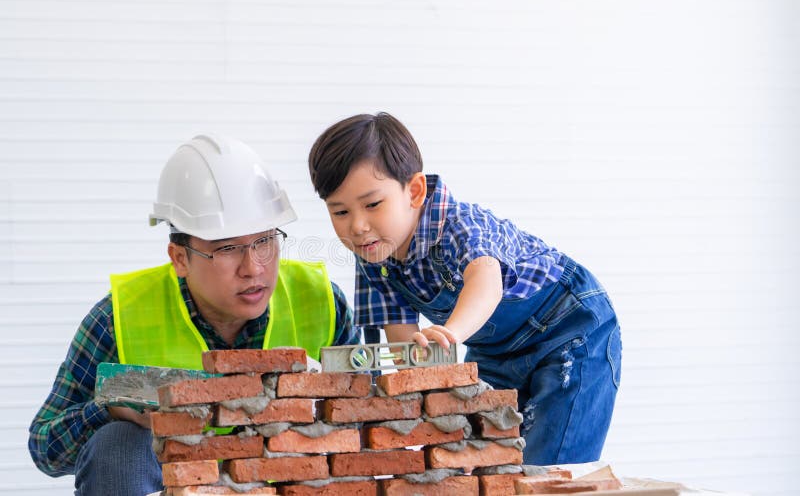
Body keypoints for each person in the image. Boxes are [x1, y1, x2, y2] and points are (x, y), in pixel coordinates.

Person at [29, 134, 360, 496]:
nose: (254, 268)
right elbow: (46, 447)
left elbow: (373, 427)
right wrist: (112, 410)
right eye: (229, 248)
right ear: (180, 258)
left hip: (284, 481)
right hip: (176, 480)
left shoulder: (320, 301)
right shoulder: (121, 316)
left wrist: (318, 399)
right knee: (118, 444)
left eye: (265, 241)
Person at [308, 112, 622, 465]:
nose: (359, 226)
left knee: (550, 465)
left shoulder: (459, 224)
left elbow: (486, 281)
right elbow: (405, 346)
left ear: (414, 191)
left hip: (571, 328)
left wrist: (450, 334)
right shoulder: (374, 258)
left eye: (372, 205)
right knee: (483, 459)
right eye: (340, 212)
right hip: (495, 350)